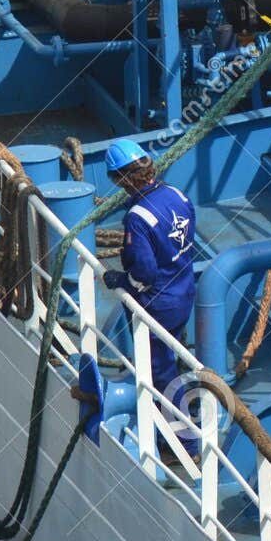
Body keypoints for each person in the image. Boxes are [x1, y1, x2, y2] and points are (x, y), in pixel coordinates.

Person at [101, 139, 198, 408]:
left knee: (160, 374)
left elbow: (145, 272)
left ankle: (184, 442)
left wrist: (122, 280)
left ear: (120, 178)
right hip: (185, 292)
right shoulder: (177, 194)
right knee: (172, 355)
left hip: (159, 304)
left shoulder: (137, 217)